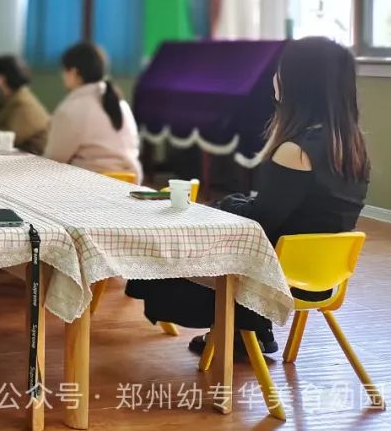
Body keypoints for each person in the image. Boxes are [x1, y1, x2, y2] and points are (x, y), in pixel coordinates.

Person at [125, 37, 371, 356]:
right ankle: (247, 331)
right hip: (322, 275)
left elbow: (261, 220)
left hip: (273, 279)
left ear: (299, 83)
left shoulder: (296, 150)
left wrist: (227, 203)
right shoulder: (351, 148)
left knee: (161, 259)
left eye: (280, 70)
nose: (274, 77)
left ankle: (244, 324)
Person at [43, 42, 142, 182]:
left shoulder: (71, 108)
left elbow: (53, 160)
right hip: (130, 183)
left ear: (73, 72)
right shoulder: (119, 102)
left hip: (92, 185)